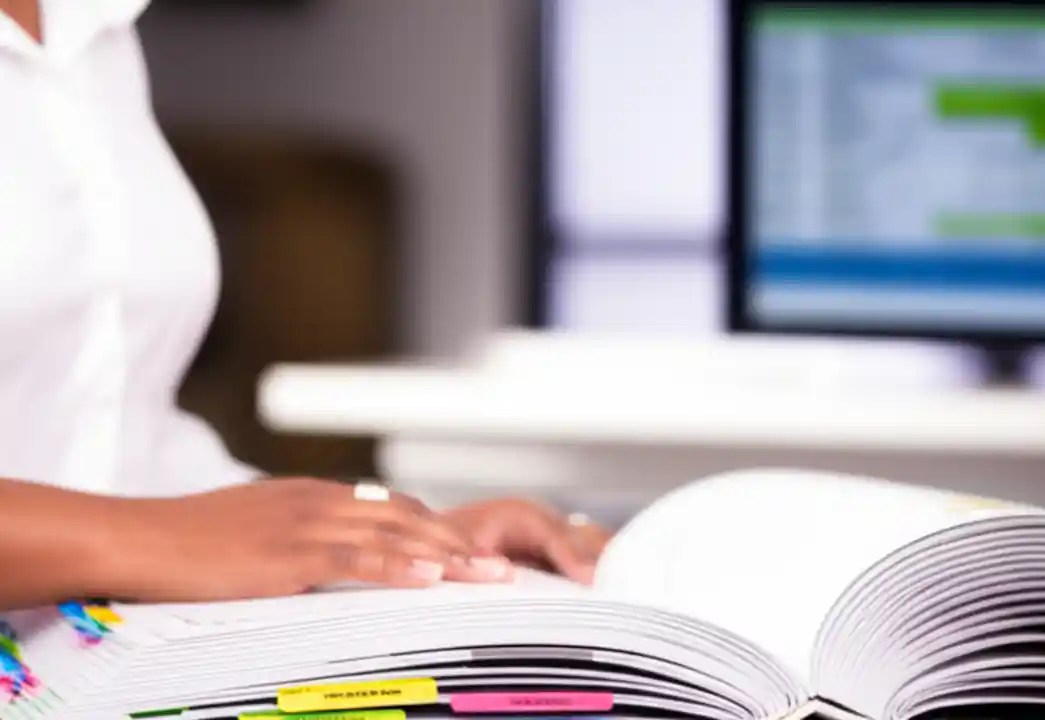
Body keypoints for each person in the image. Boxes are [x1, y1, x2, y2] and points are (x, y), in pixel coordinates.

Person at [0, 0, 608, 612]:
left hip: (92, 657)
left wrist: (379, 539)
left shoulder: (93, 26)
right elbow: (154, 533)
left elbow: (113, 443)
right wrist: (153, 538)